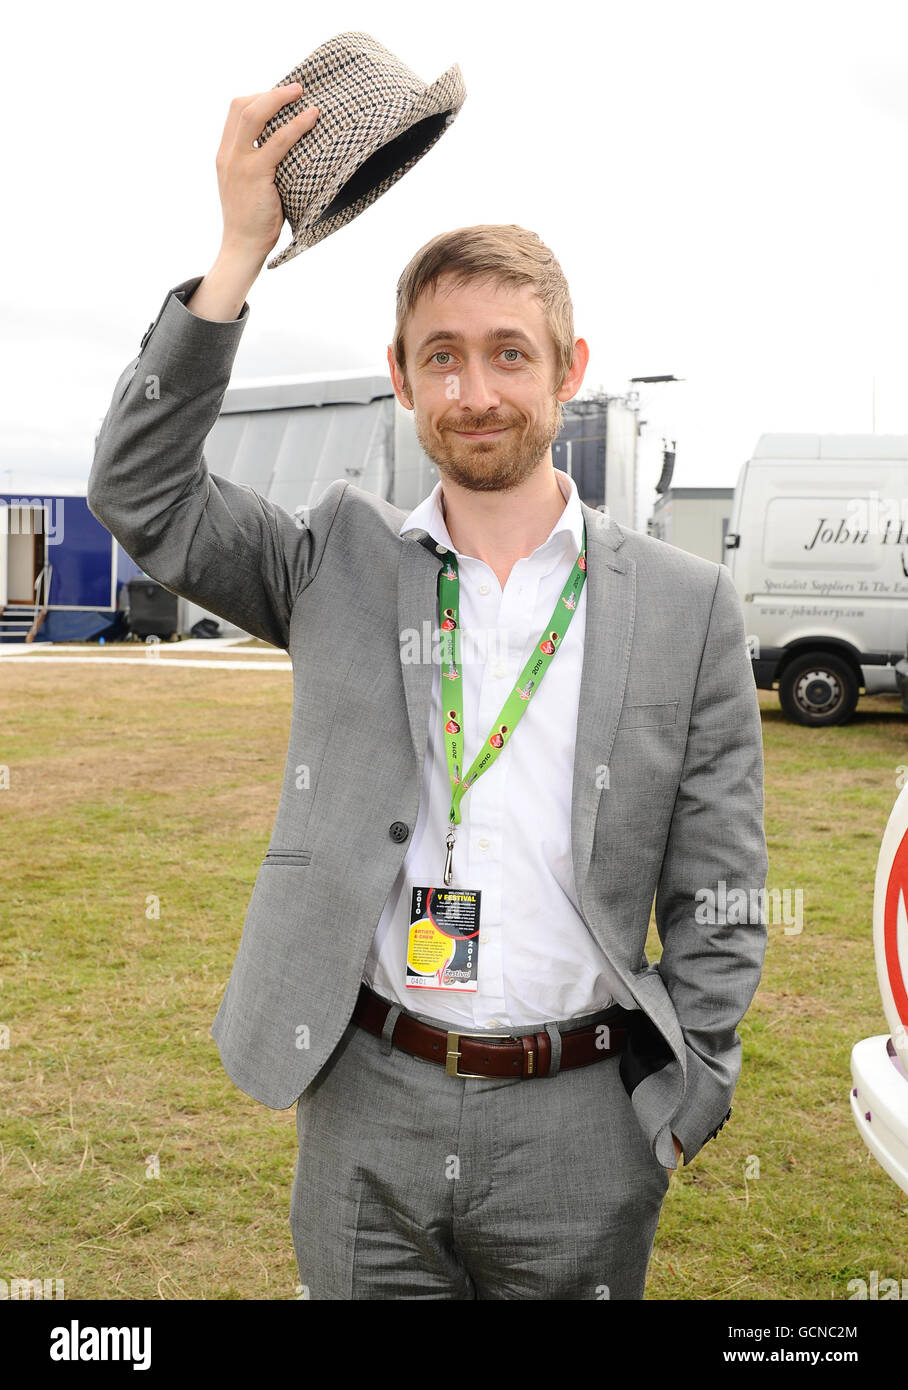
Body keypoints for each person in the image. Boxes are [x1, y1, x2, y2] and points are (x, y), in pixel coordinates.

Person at [88, 85, 769, 1300]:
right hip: (367, 1106)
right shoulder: (329, 559)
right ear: (401, 378)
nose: (476, 392)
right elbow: (142, 491)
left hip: (581, 1122)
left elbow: (721, 884)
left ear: (568, 369)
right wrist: (241, 249)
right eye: (440, 358)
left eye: (510, 354)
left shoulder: (684, 605)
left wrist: (687, 1089)